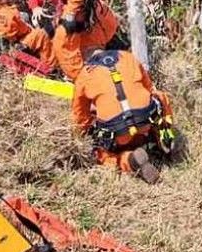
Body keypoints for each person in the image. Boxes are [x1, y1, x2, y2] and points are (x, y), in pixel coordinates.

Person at [71, 48, 180, 184]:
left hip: (119, 132)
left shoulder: (84, 74)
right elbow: (149, 88)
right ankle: (164, 137)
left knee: (103, 155)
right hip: (146, 119)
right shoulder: (128, 57)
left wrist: (84, 134)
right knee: (159, 97)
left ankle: (130, 160)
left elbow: (79, 116)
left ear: (89, 60)